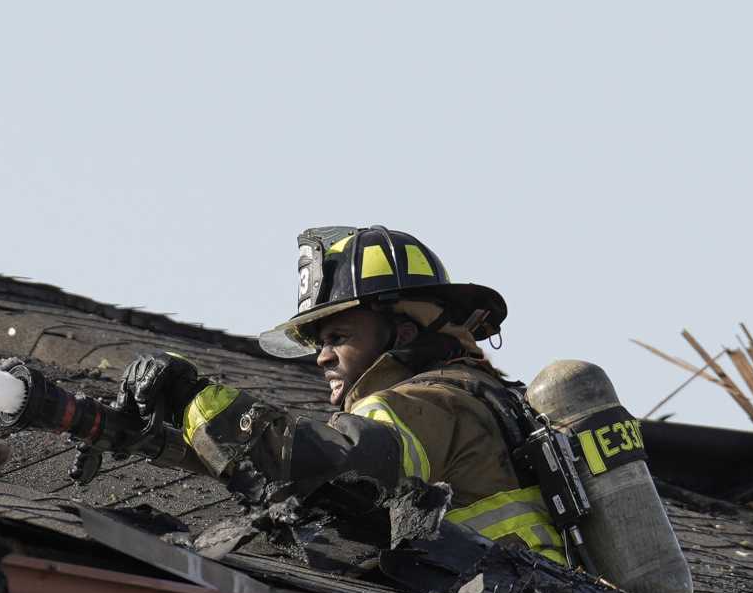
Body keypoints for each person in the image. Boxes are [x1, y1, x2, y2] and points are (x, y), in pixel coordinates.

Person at [121, 225, 569, 563]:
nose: (322, 358)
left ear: (402, 334)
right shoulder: (487, 396)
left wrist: (191, 398)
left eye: (338, 337)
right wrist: (154, 438)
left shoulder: (425, 404)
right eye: (319, 343)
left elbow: (330, 466)